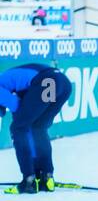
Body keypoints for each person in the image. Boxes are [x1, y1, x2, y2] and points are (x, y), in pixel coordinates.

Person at [0, 64, 72, 193]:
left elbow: (16, 106)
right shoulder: (11, 81)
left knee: (18, 128)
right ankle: (46, 177)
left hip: (46, 81)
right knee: (38, 127)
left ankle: (29, 180)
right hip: (63, 83)